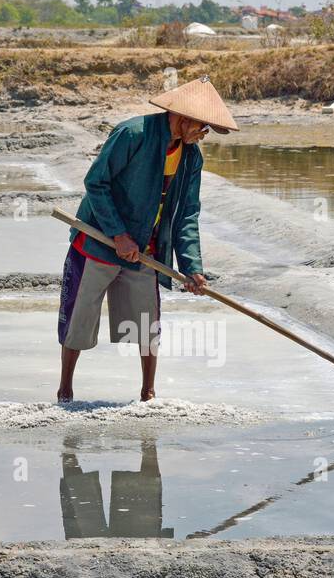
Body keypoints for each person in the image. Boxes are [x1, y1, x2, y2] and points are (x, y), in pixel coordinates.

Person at [56, 76, 237, 402]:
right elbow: (96, 183)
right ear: (183, 118)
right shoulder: (133, 134)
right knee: (79, 320)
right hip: (99, 242)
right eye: (202, 127)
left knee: (146, 323)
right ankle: (65, 389)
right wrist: (119, 235)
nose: (203, 134)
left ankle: (148, 392)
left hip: (144, 248)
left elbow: (186, 214)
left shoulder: (191, 158)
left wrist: (193, 267)